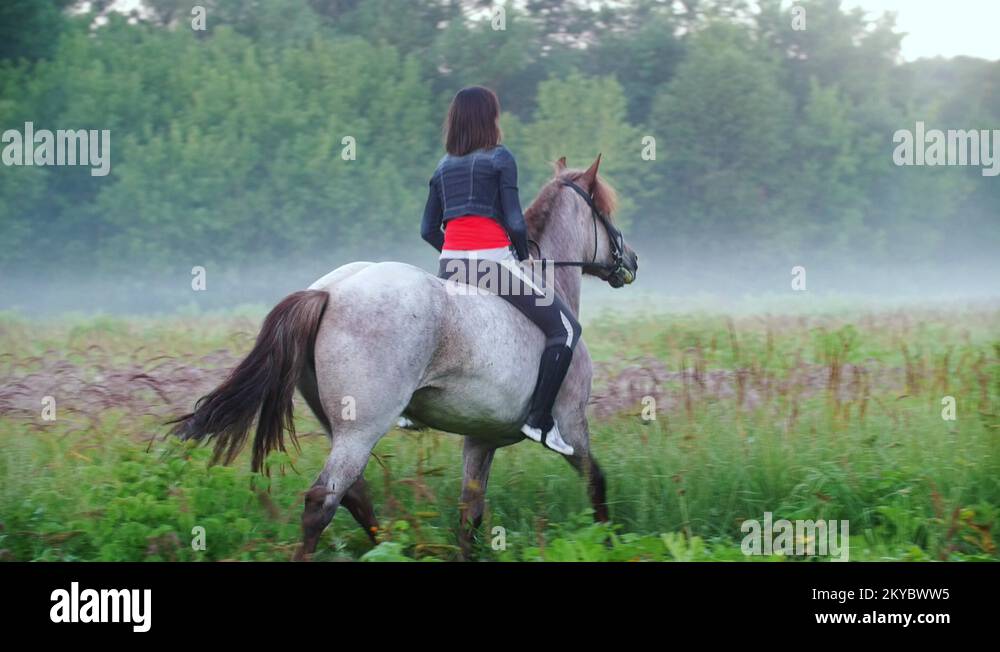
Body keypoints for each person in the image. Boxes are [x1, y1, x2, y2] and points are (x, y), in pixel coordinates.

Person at [420, 86, 580, 456]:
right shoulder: (500, 158)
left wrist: (454, 255)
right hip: (492, 265)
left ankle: (411, 412)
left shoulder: (442, 166)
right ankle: (539, 420)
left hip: (450, 268)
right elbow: (515, 222)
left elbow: (427, 230)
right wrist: (522, 257)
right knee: (567, 328)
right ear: (488, 118)